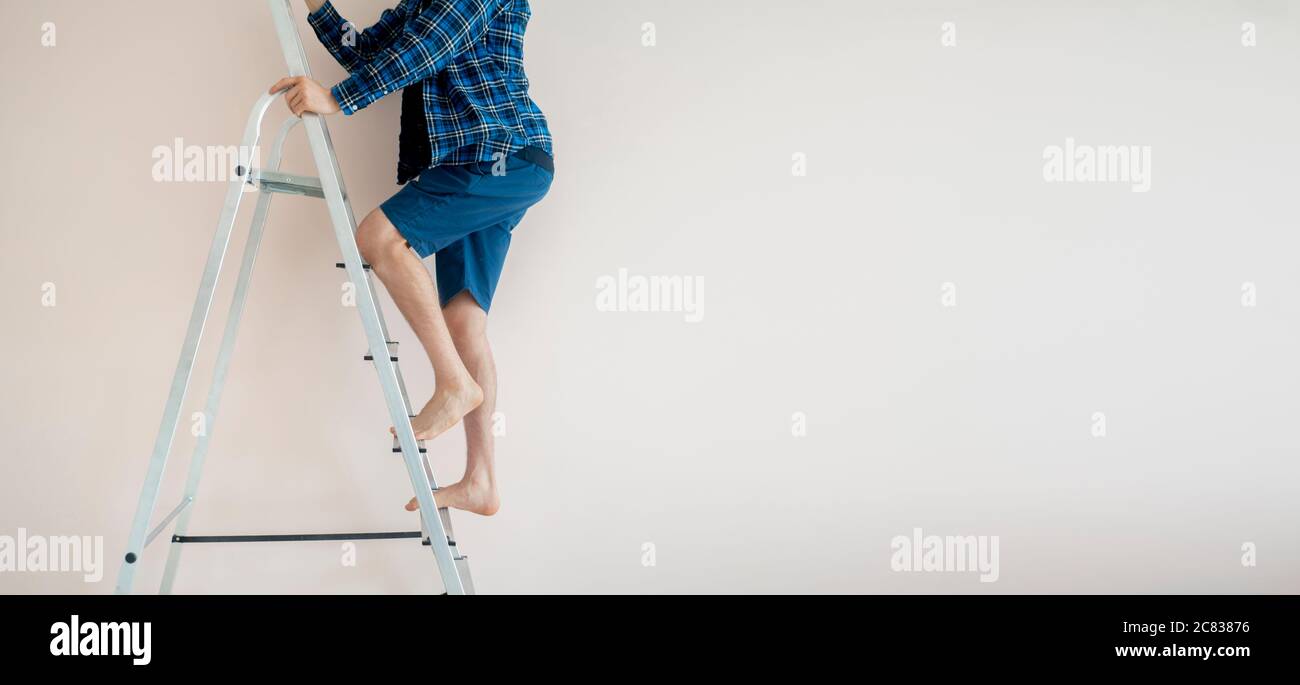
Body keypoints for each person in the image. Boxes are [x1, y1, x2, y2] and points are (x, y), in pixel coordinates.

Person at [269, 0, 554, 516]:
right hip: (490, 162)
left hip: (498, 155)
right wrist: (318, 6)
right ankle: (482, 482)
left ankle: (452, 384)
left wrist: (337, 100)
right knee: (464, 324)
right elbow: (370, 54)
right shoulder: (420, 4)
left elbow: (430, 49)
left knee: (380, 238)